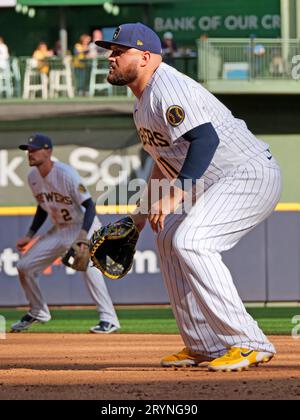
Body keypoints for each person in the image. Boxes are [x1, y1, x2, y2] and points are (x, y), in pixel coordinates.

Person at [96, 23, 282, 372]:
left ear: (146, 57)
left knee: (192, 240)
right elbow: (162, 161)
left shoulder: (167, 87)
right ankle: (203, 344)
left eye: (119, 51)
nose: (111, 56)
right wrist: (138, 218)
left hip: (249, 174)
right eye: (112, 50)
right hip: (217, 183)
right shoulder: (142, 104)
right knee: (167, 237)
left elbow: (205, 140)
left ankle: (249, 341)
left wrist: (176, 194)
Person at [12, 134, 120, 334]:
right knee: (24, 266)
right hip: (60, 229)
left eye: (34, 149)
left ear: (48, 151)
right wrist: (30, 234)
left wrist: (83, 236)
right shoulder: (32, 177)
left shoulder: (66, 174)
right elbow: (43, 207)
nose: (30, 153)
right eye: (28, 149)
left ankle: (109, 319)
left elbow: (90, 206)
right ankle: (38, 311)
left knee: (89, 266)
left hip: (84, 226)